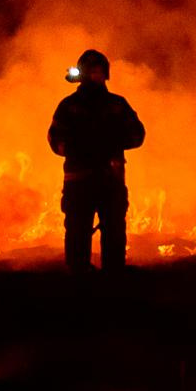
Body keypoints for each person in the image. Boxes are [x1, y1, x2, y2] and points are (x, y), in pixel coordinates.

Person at [48, 49, 145, 273]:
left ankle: (113, 280)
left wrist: (112, 143)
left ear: (106, 74)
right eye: (91, 71)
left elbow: (138, 135)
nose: (95, 75)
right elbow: (54, 139)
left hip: (109, 181)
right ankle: (79, 281)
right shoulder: (68, 106)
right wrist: (79, 149)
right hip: (79, 183)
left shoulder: (117, 105)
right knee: (77, 233)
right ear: (82, 74)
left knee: (113, 233)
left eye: (99, 71)